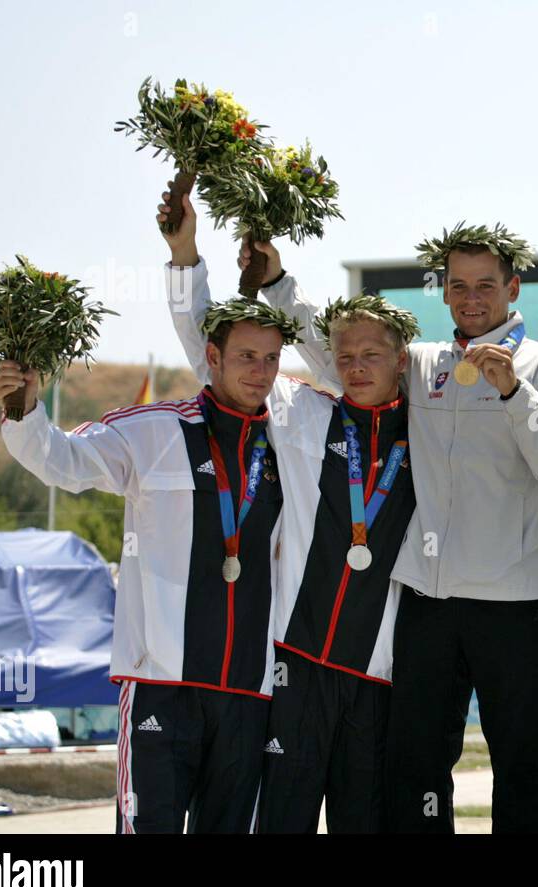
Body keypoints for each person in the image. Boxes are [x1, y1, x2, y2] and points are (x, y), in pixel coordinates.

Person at [253, 222, 538, 834]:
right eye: (458, 286)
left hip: (509, 604)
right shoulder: (424, 363)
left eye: (486, 284)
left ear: (513, 287)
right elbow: (345, 358)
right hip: (427, 603)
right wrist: (277, 284)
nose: (471, 297)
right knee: (418, 767)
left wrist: (514, 392)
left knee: (523, 766)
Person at [0, 266, 299, 833]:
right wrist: (23, 412)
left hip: (248, 692)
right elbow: (66, 461)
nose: (260, 372)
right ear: (212, 356)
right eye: (246, 356)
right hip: (162, 685)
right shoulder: (154, 430)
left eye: (271, 359)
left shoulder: (289, 445)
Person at [160, 190, 422, 833]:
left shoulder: (433, 436)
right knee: (281, 822)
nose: (354, 368)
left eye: (372, 356)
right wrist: (187, 258)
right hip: (292, 664)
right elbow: (215, 353)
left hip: (377, 673)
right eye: (344, 356)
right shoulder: (303, 415)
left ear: (402, 361)